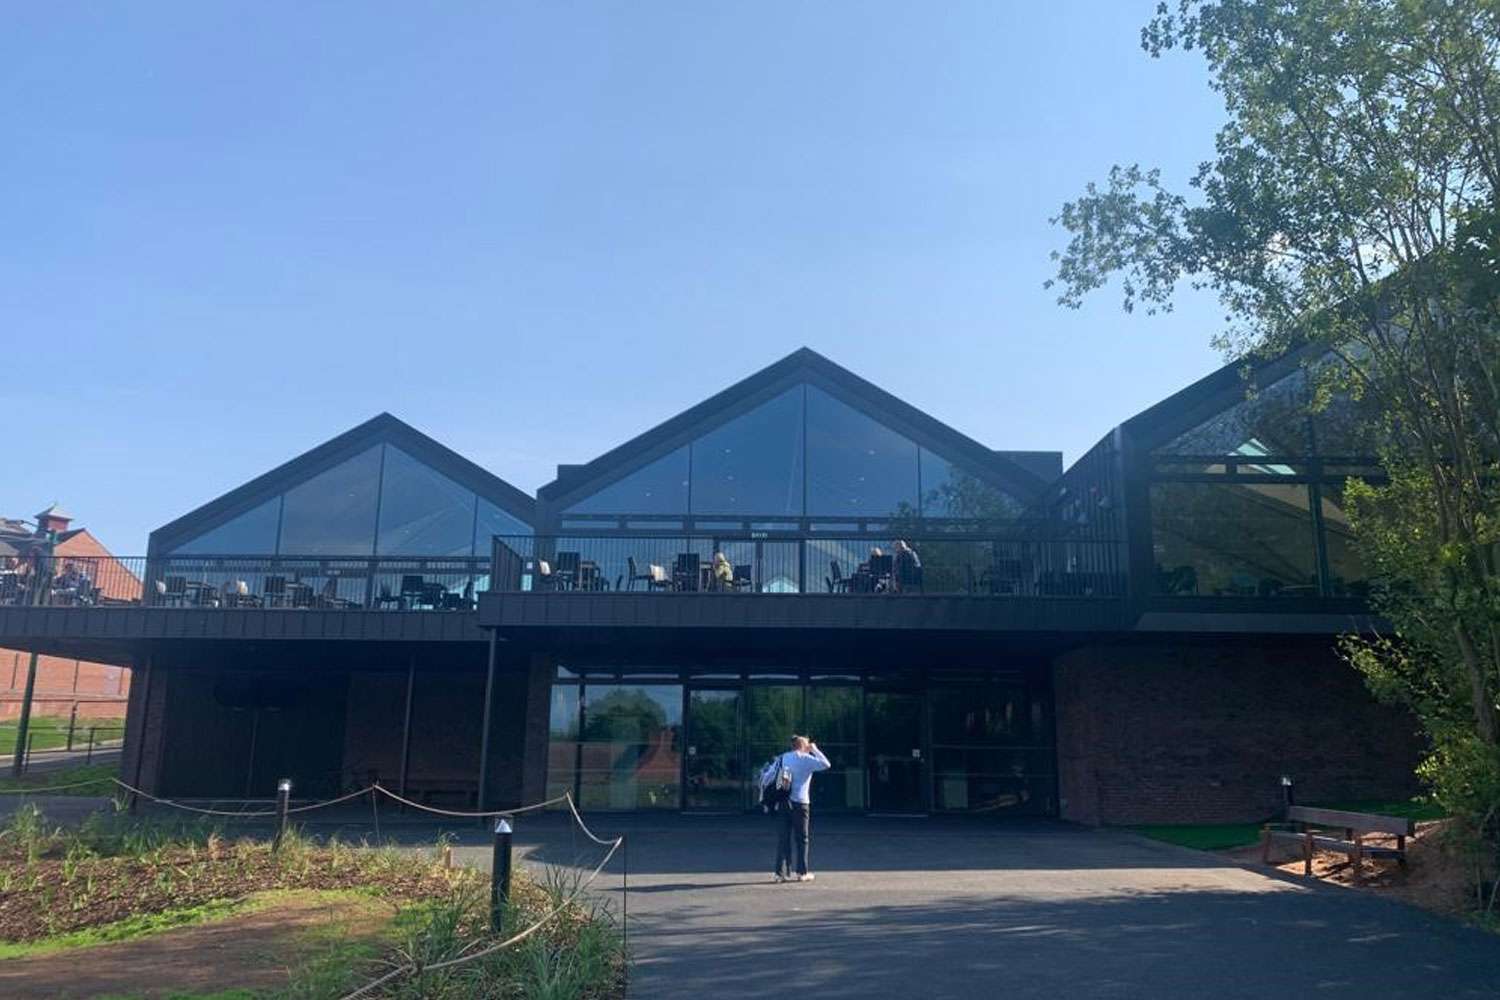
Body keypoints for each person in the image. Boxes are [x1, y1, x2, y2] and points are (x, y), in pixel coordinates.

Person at [759, 735, 830, 882]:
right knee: (802, 838)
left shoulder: (783, 758)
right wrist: (815, 749)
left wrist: (764, 794)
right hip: (801, 803)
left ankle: (780, 873)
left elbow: (768, 776)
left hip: (784, 802)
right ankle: (801, 872)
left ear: (792, 746)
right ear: (804, 746)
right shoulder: (807, 759)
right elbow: (826, 764)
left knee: (783, 838)